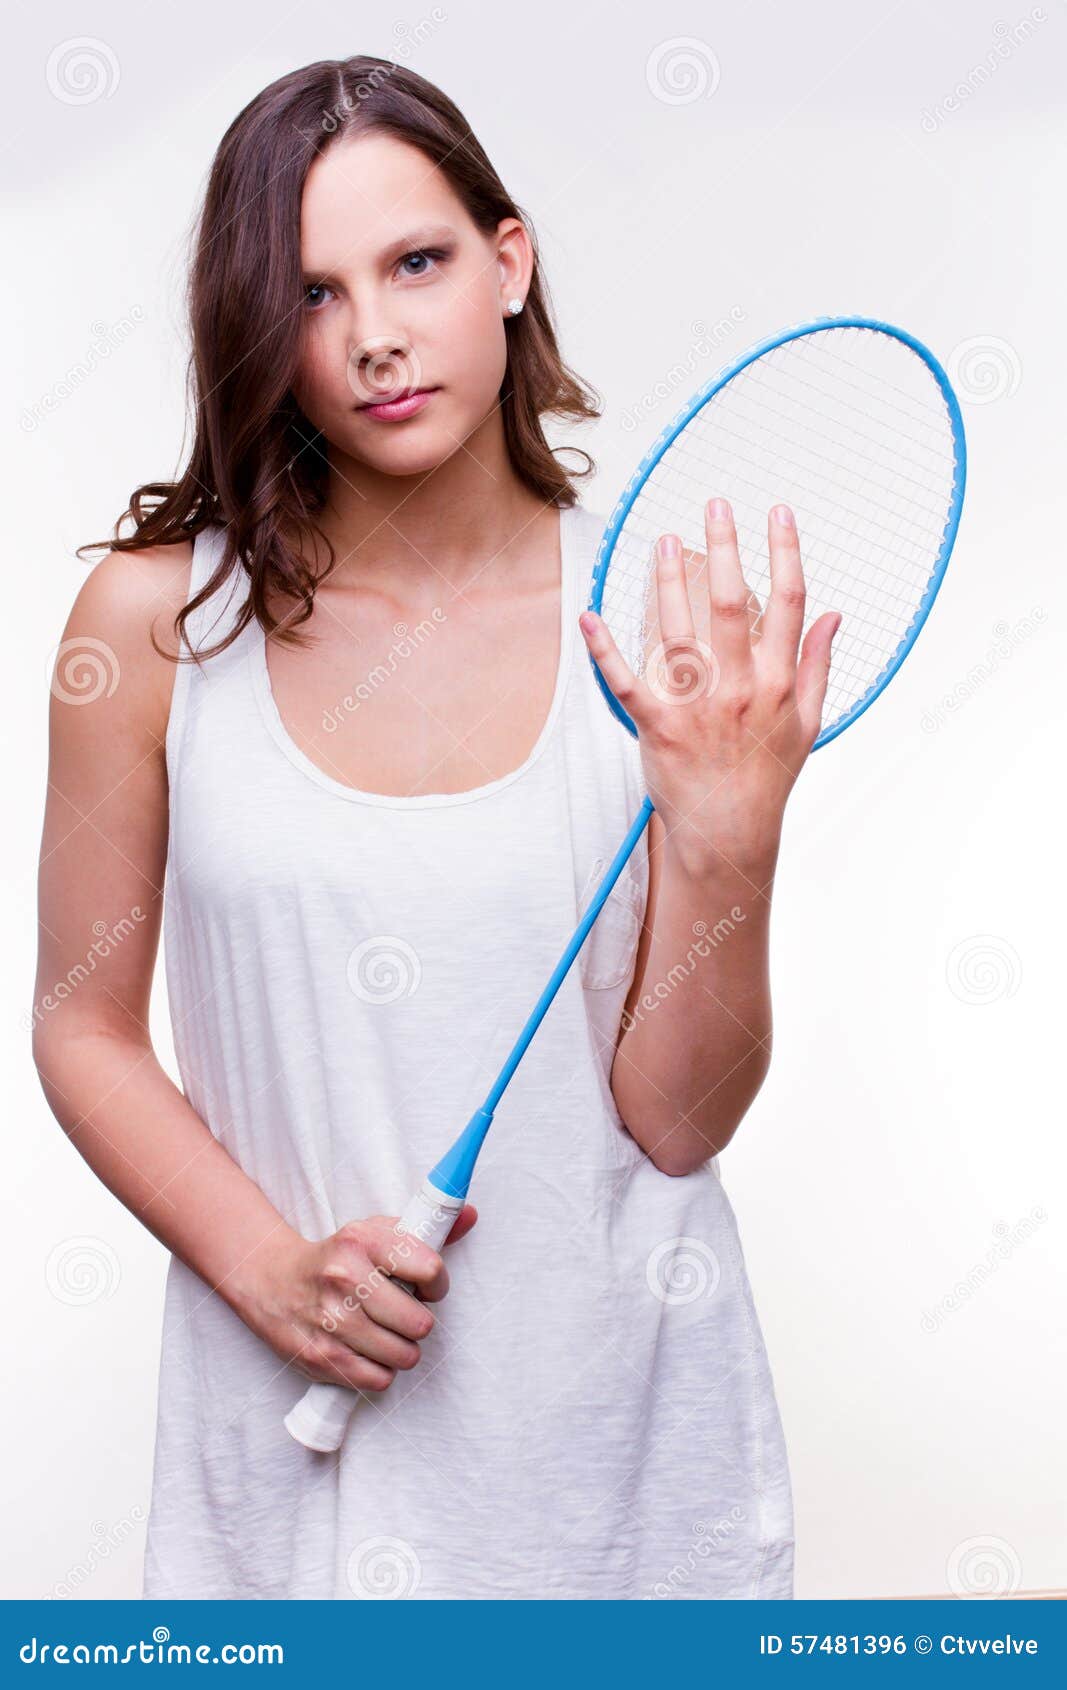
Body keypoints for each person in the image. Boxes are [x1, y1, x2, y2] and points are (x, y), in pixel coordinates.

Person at [32, 55, 838, 1600]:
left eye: (418, 262)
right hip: (282, 1504)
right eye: (313, 294)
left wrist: (735, 838)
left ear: (510, 264)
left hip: (625, 1502)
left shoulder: (646, 628)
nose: (377, 336)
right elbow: (83, 1028)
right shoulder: (152, 626)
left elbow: (677, 1122)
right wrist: (272, 1269)